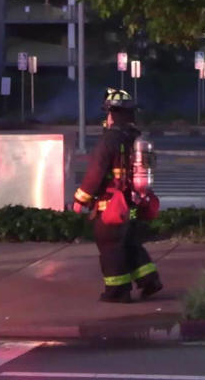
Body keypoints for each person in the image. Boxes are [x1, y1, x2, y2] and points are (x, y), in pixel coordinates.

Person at [72, 88, 163, 303]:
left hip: (110, 206)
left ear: (112, 114)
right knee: (130, 242)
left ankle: (118, 292)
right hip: (132, 205)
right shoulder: (135, 138)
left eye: (108, 113)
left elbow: (95, 173)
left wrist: (80, 200)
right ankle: (150, 281)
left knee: (110, 246)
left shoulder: (108, 141)